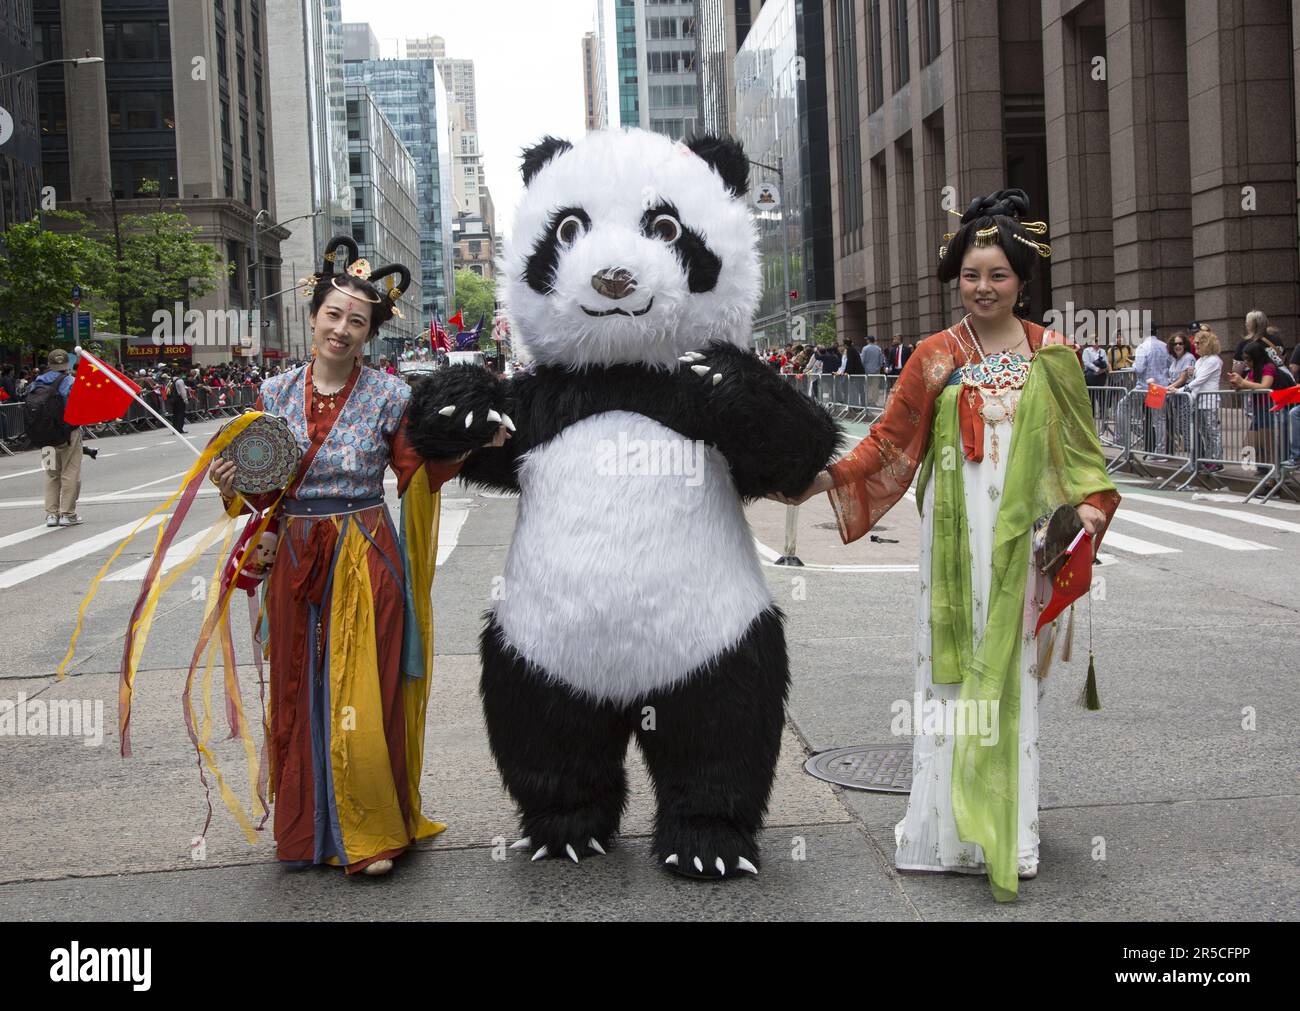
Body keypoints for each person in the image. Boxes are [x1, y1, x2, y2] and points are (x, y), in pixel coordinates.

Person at [778, 189, 1120, 901]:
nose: (984, 287)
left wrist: (1086, 511)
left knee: (1014, 685)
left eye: (998, 274)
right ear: (954, 278)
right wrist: (818, 481)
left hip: (1025, 545)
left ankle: (1008, 831)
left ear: (1023, 281)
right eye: (971, 274)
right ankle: (947, 831)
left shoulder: (1054, 356)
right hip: (952, 552)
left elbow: (1084, 456)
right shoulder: (935, 357)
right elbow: (887, 443)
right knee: (950, 681)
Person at [202, 236, 508, 876]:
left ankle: (371, 834)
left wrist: (474, 444)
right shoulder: (274, 391)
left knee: (362, 689)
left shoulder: (391, 396)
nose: (342, 329)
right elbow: (264, 485)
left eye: (357, 322)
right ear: (313, 317)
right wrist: (233, 486)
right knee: (298, 685)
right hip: (292, 557)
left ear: (370, 335)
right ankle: (307, 832)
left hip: (364, 556)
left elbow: (416, 472)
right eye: (333, 315)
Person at [25, 349, 83, 526]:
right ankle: (67, 513)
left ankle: (51, 514)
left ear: (50, 364)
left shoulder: (36, 383)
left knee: (51, 474)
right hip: (68, 434)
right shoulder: (71, 382)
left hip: (44, 437)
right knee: (70, 472)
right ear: (67, 364)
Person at [1185, 325, 1224, 471]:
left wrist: (1183, 389)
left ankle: (1217, 460)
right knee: (1205, 432)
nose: (1195, 346)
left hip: (1209, 401)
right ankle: (1209, 458)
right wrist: (1191, 373)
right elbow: (1196, 377)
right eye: (1195, 343)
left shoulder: (1213, 360)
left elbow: (1200, 380)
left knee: (1212, 431)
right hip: (1199, 401)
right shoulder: (1201, 360)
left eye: (1198, 343)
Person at [1164, 332, 1197, 452]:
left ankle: (1192, 452)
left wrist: (1166, 389)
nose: (1177, 346)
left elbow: (1182, 379)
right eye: (1175, 344)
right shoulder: (1175, 360)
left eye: (1180, 343)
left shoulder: (1188, 357)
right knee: (1180, 425)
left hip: (1185, 395)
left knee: (1187, 424)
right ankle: (1188, 451)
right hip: (1175, 396)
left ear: (1185, 345)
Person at [166, 368, 189, 433]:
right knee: (181, 414)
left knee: (175, 414)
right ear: (180, 374)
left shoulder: (171, 380)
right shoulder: (180, 380)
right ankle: (179, 429)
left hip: (173, 399)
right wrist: (185, 399)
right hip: (179, 399)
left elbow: (166, 389)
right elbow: (182, 391)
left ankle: (174, 429)